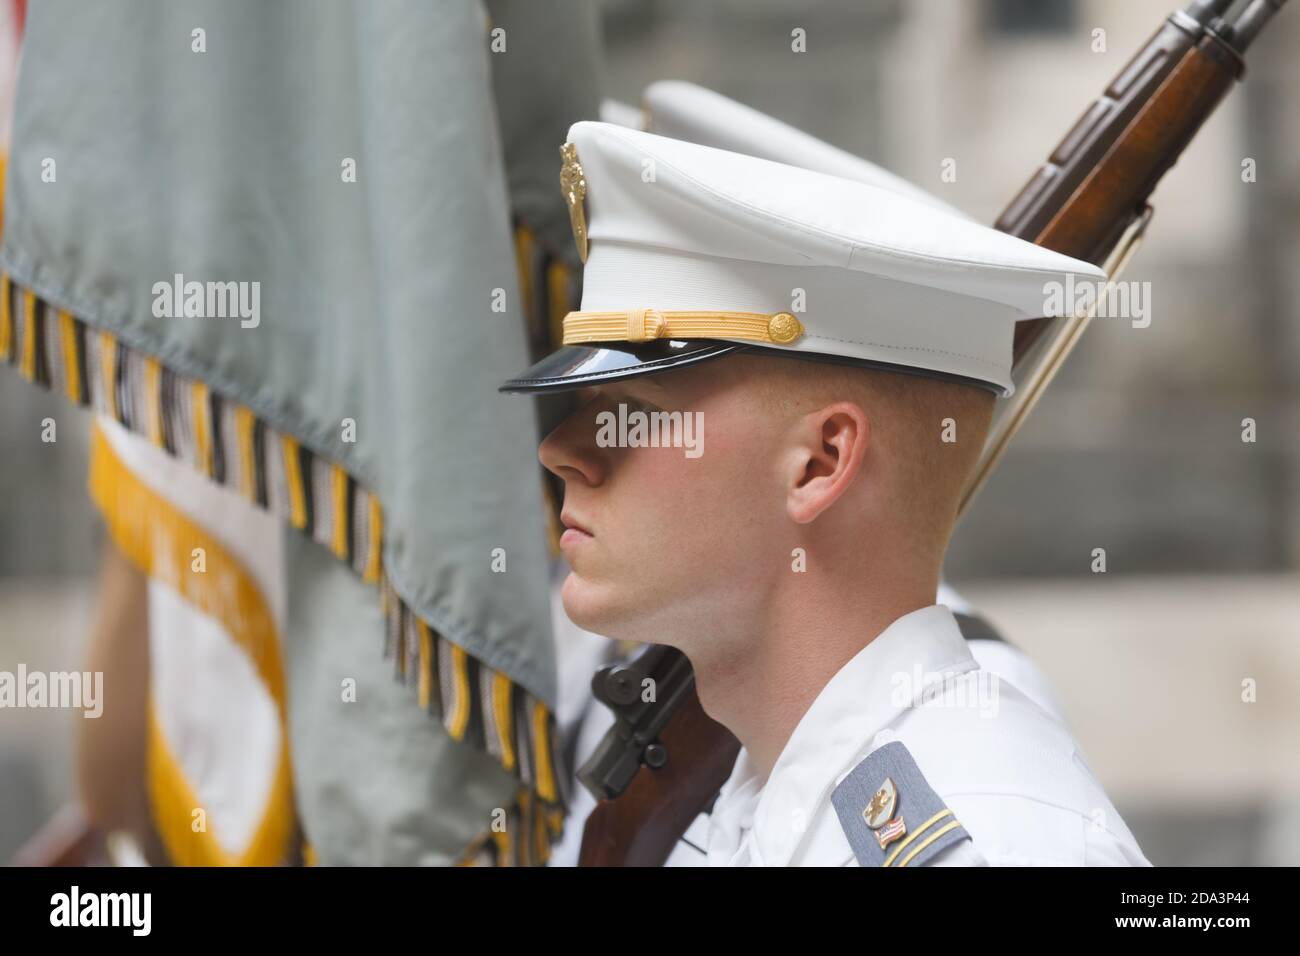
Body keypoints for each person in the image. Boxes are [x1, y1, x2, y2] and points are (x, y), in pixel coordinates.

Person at [504, 120, 1149, 866]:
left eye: (630, 416)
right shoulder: (754, 805)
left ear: (820, 461)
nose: (559, 453)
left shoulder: (984, 843)